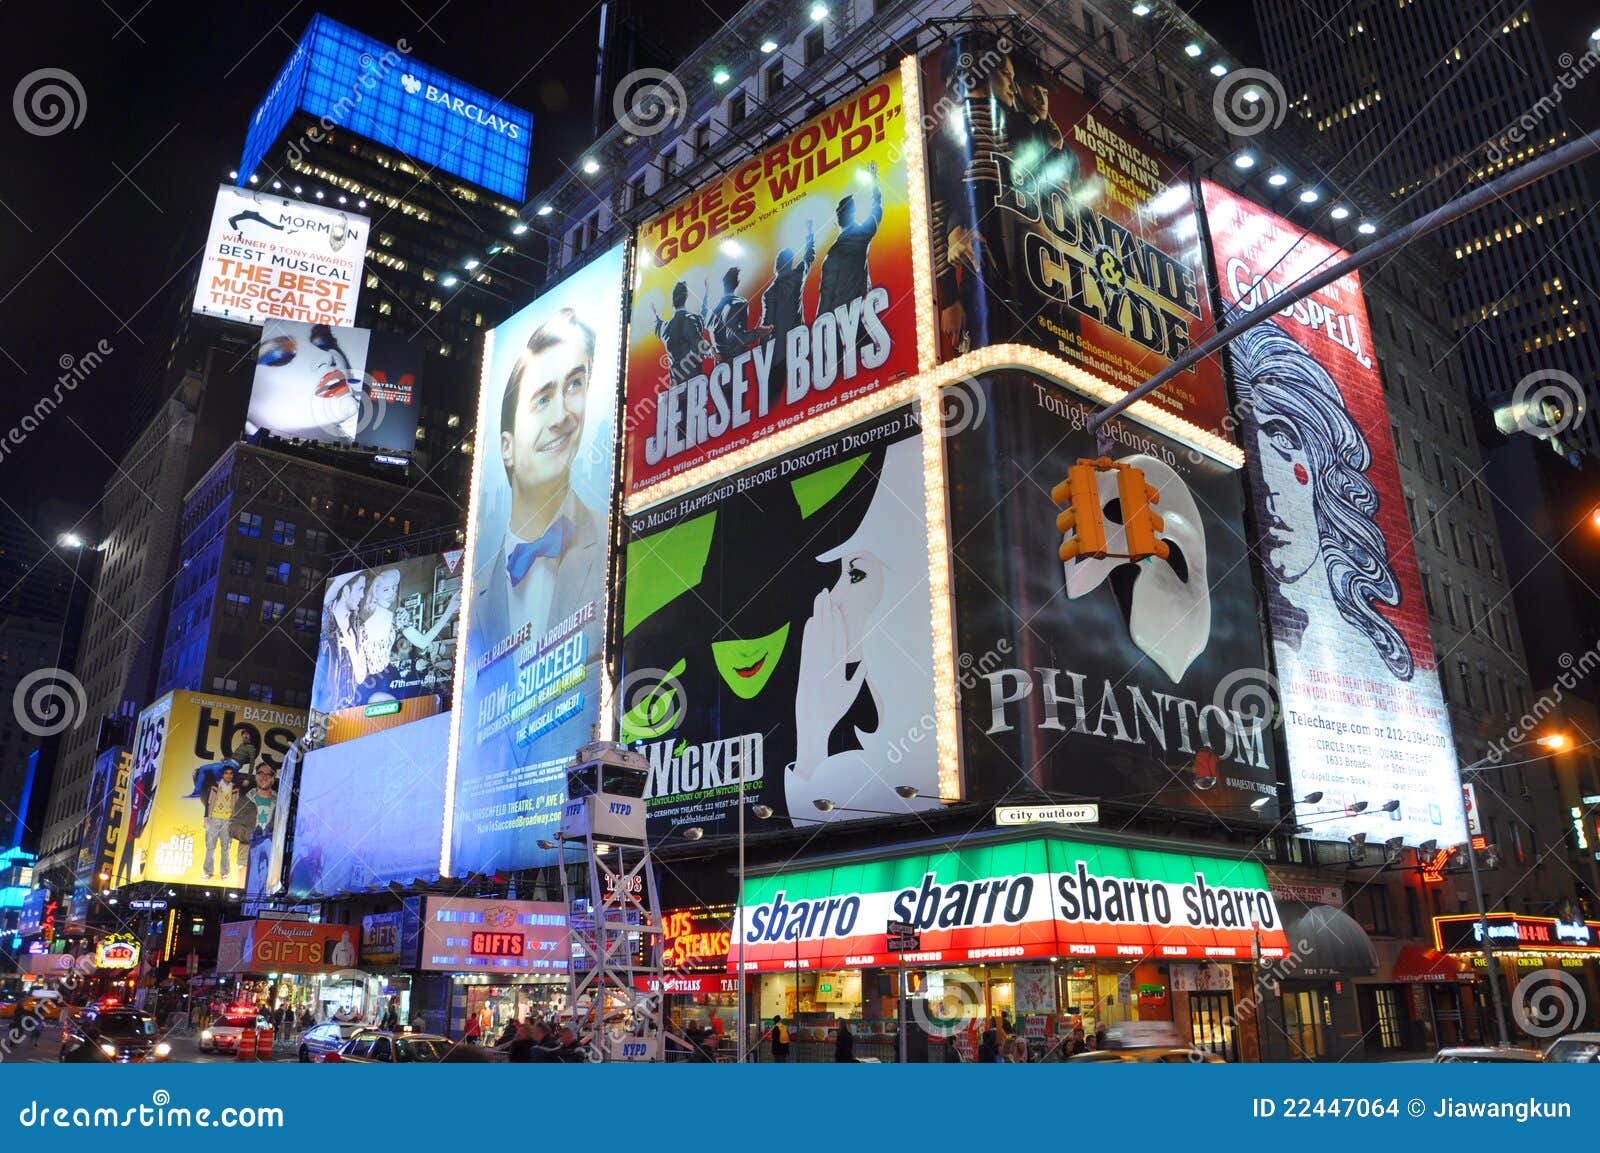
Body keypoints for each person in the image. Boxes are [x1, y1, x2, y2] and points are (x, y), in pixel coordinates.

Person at [469, 308, 606, 686]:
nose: (564, 414)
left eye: (575, 384)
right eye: (543, 399)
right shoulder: (474, 597)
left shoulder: (614, 545)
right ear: (506, 447)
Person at [759, 227, 815, 410]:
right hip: (800, 347)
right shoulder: (798, 276)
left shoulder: (769, 293)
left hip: (777, 355)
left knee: (772, 402)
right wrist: (809, 236)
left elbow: (766, 328)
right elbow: (808, 258)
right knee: (805, 395)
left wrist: (763, 356)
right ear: (791, 262)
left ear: (776, 266)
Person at [201, 765, 240, 880]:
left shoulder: (235, 788)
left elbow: (236, 806)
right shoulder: (215, 786)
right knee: (210, 847)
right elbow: (208, 802)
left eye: (231, 773)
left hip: (228, 821)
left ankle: (225, 873)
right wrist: (205, 818)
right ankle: (208, 872)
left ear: (233, 776)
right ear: (222, 775)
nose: (228, 775)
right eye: (226, 773)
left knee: (226, 848)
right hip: (214, 819)